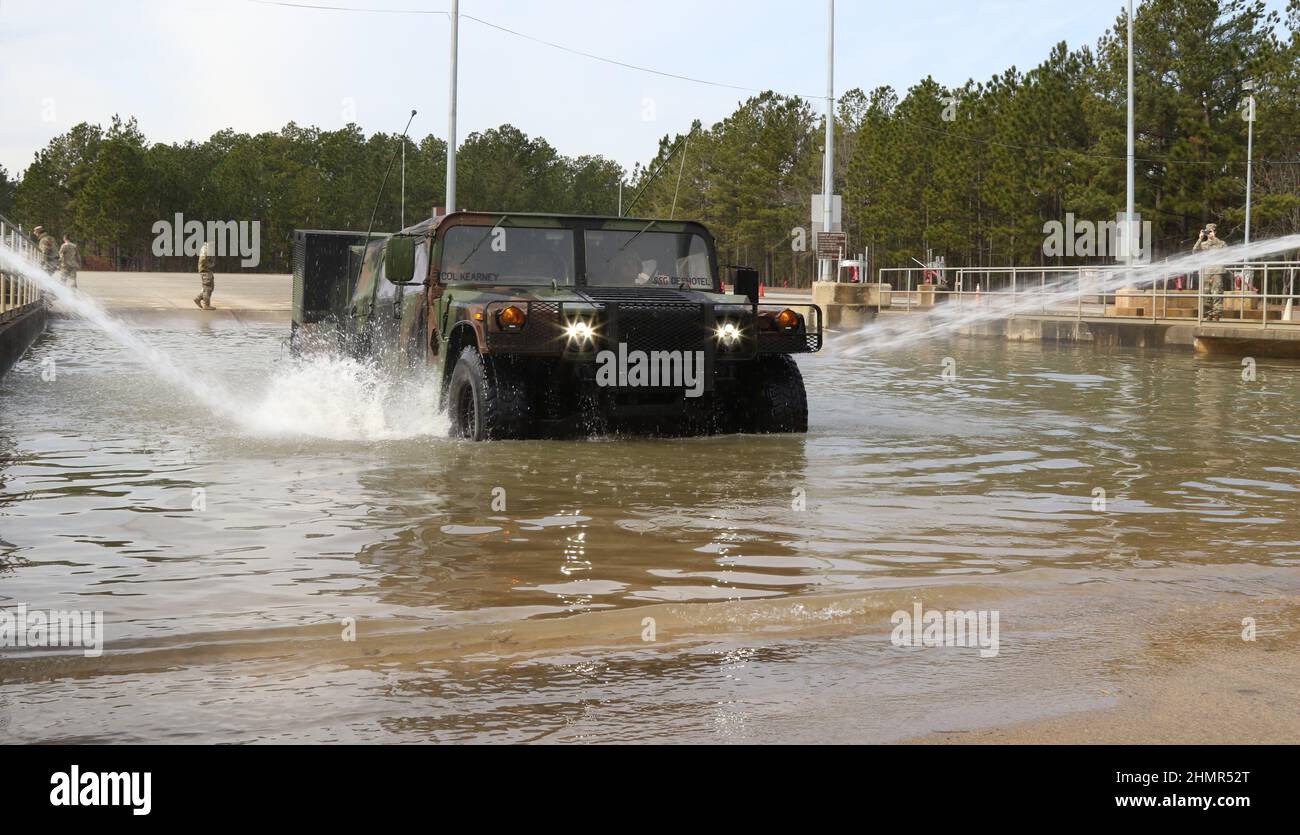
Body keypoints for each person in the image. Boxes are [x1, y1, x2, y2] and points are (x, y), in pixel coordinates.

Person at [1193, 223, 1228, 321]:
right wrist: (1200, 238)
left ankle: (1217, 314)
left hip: (1217, 271)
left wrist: (1214, 239)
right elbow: (1194, 251)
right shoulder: (1203, 245)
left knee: (1217, 293)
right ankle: (1208, 314)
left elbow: (1226, 252)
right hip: (1206, 272)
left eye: (1211, 231)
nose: (1209, 234)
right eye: (1207, 232)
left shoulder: (1221, 243)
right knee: (1206, 293)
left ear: (1215, 232)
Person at [194, 242, 215, 310]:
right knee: (207, 287)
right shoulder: (207, 249)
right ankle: (206, 305)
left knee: (210, 286)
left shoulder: (207, 247)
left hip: (206, 270)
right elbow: (203, 259)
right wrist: (206, 265)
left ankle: (198, 298)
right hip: (205, 270)